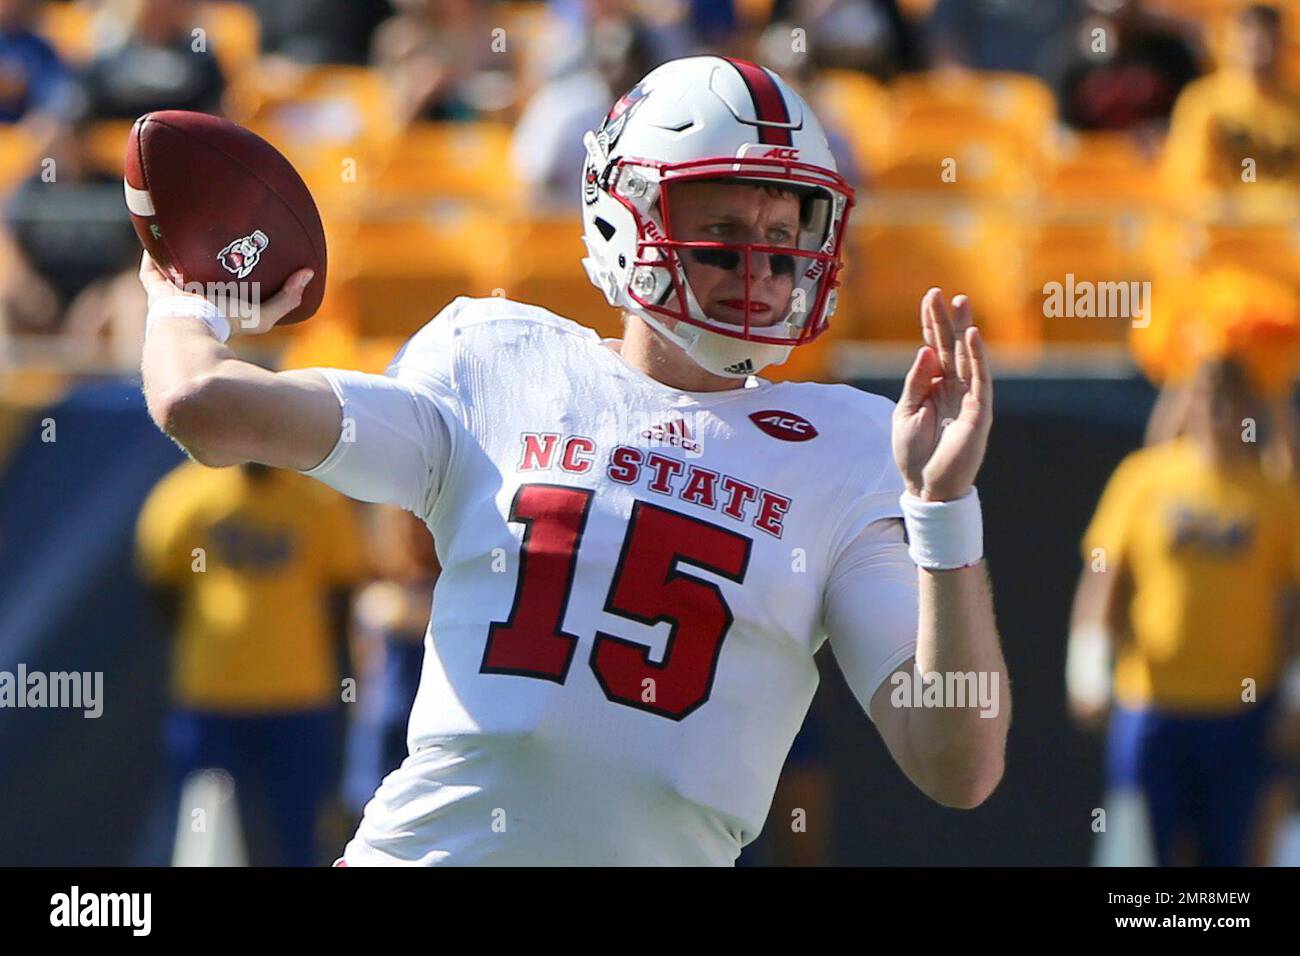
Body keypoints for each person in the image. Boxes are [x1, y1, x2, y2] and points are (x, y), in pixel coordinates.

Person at [137, 56, 1008, 866]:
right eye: (722, 229)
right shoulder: (495, 366)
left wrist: (944, 511)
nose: (761, 265)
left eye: (785, 234)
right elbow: (202, 409)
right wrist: (182, 305)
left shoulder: (847, 447)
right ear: (618, 217)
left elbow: (954, 762)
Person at [1068, 357, 1300, 866]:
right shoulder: (1144, 479)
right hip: (1151, 705)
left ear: (1251, 404)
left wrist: (1294, 691)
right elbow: (1104, 575)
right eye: (1206, 391)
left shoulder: (1276, 494)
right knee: (1138, 852)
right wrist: (1088, 665)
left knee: (1232, 855)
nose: (1218, 405)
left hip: (1241, 709)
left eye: (1232, 392)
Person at [136, 460, 367, 866]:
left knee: (302, 834)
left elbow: (342, 591)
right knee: (198, 833)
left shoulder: (318, 499)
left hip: (298, 697)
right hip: (211, 699)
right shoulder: (184, 494)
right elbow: (161, 588)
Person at [1164, 4, 1300, 209]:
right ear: (1230, 41)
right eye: (1249, 38)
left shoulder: (1294, 104)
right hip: (1224, 229)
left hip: (1290, 230)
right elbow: (1192, 183)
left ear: (1281, 43)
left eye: (1267, 37)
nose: (1258, 46)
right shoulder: (1202, 102)